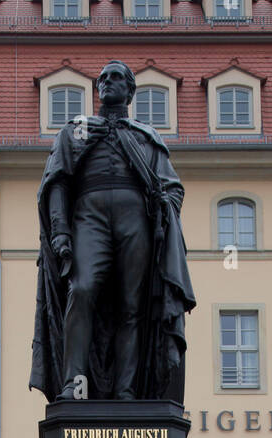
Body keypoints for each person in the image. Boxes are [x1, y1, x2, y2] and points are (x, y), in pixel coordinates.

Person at [30, 59, 195, 403]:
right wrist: (61, 233)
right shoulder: (76, 130)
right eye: (102, 78)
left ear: (130, 90)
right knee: (83, 289)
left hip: (134, 219)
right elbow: (56, 182)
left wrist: (162, 209)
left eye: (116, 77)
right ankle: (74, 385)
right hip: (88, 216)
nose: (107, 82)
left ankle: (126, 391)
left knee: (131, 306)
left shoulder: (145, 138)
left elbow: (173, 189)